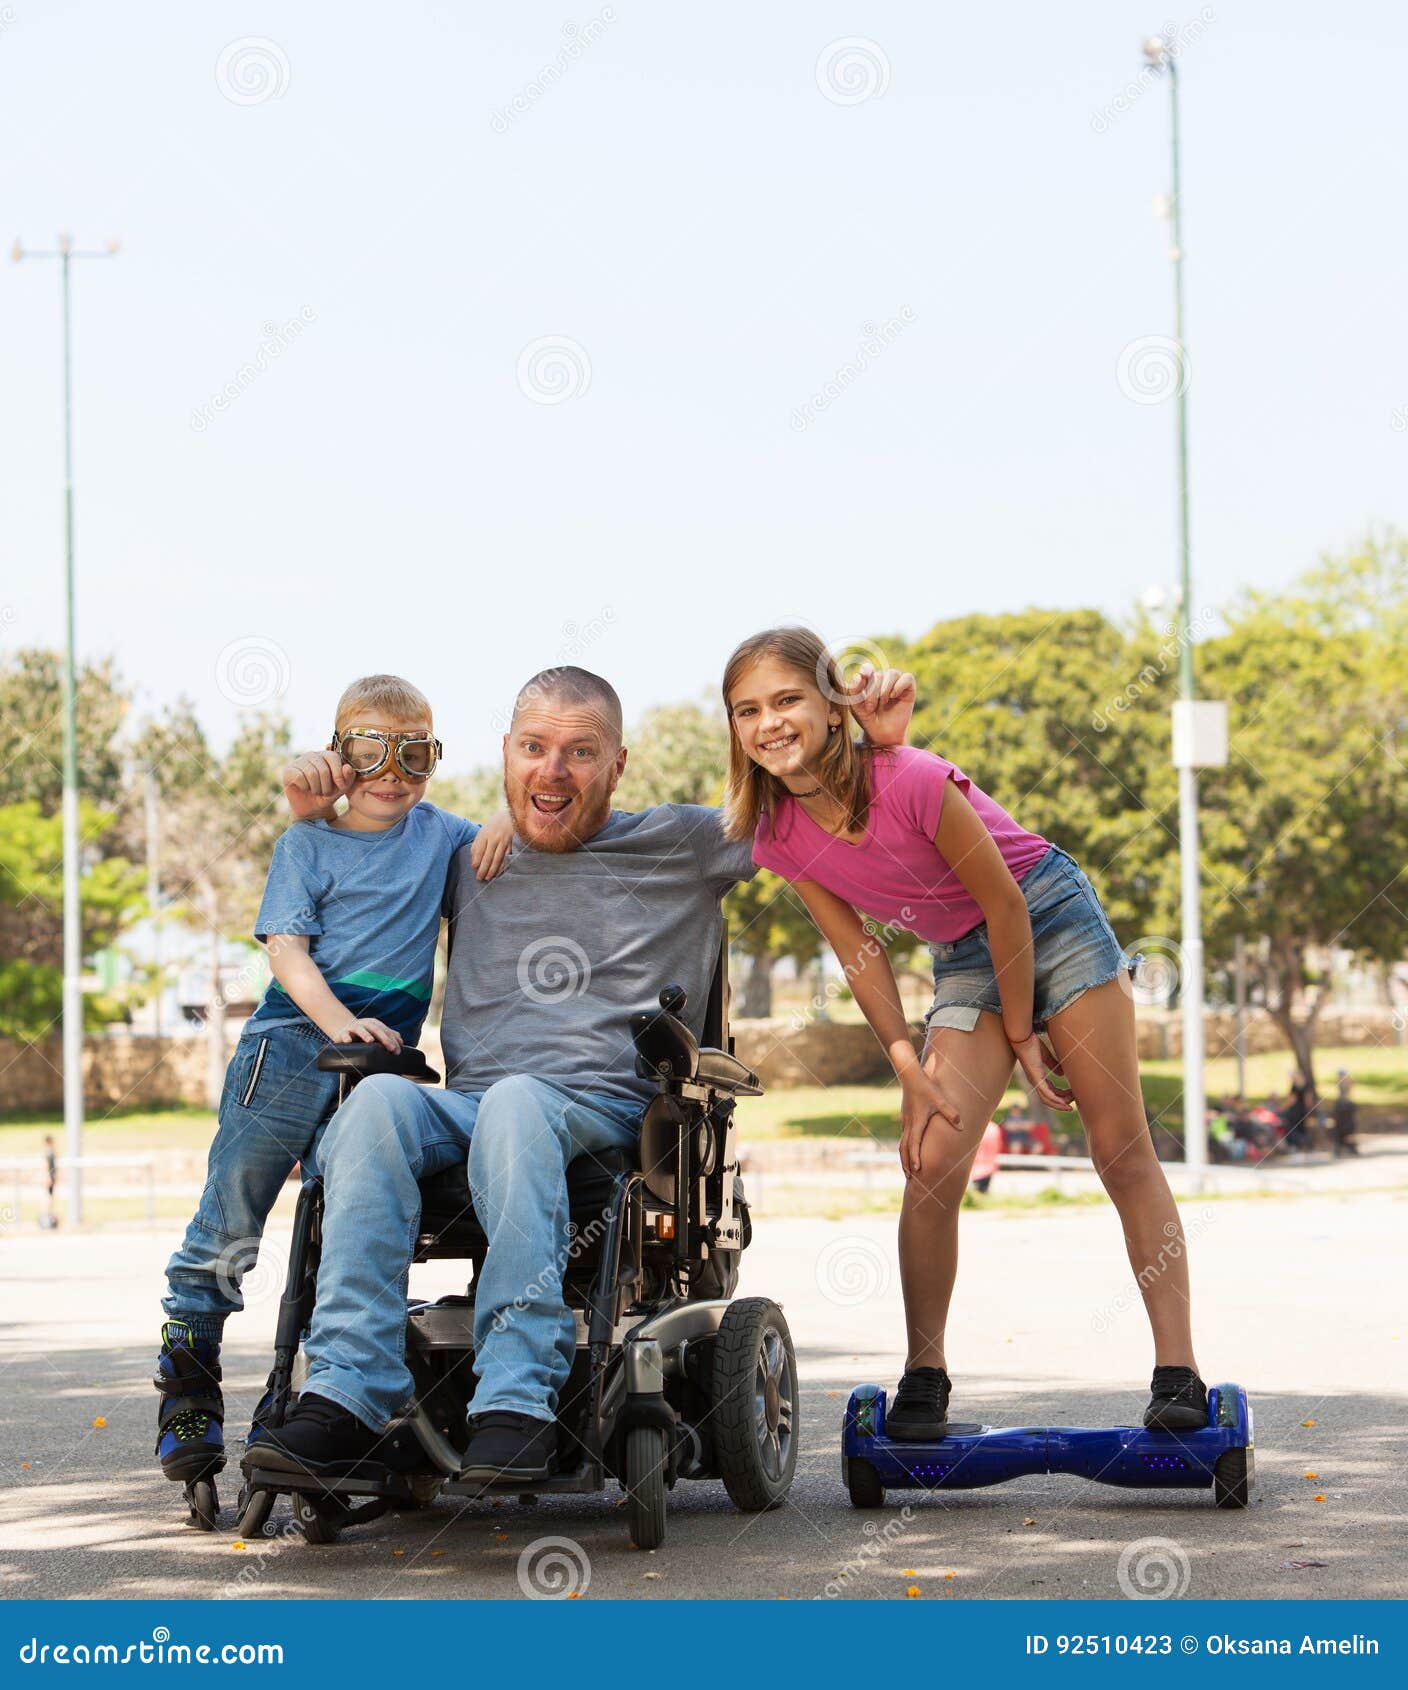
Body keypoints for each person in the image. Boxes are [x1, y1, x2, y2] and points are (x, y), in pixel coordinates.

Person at [255, 662, 917, 1484]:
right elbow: (360, 859)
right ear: (505, 752)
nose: (553, 771)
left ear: (618, 764)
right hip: (473, 1108)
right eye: (534, 749)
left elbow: (833, 818)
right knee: (378, 1104)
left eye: (580, 752)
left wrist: (880, 748)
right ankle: (347, 1392)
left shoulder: (684, 843)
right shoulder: (467, 853)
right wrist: (311, 807)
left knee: (519, 1102)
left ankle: (516, 1399)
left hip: (605, 1114)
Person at [722, 625, 1208, 1439]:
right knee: (932, 1160)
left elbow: (1007, 904)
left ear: (833, 707)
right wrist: (908, 1066)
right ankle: (925, 1374)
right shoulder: (774, 832)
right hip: (965, 953)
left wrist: (1021, 1035)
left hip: (1048, 912)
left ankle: (1178, 1371)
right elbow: (859, 955)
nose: (768, 722)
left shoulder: (910, 776)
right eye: (747, 709)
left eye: (786, 700)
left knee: (1119, 1147)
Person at [153, 673, 511, 1490]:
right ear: (337, 753)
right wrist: (339, 1022)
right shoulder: (306, 843)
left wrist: (503, 820)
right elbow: (286, 951)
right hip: (288, 1050)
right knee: (232, 1219)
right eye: (371, 751)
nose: (393, 773)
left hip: (375, 1072)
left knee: (336, 1227)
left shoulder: (440, 834)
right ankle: (188, 1380)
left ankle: (300, 1400)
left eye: (414, 755)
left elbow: (508, 840)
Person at [1332, 1068, 1359, 1157]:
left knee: (1349, 1128)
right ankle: (1340, 1147)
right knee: (1339, 1128)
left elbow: (1352, 1085)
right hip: (1340, 1106)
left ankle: (1351, 1147)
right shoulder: (1340, 1083)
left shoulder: (1348, 1082)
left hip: (1347, 1106)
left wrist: (1348, 1079)